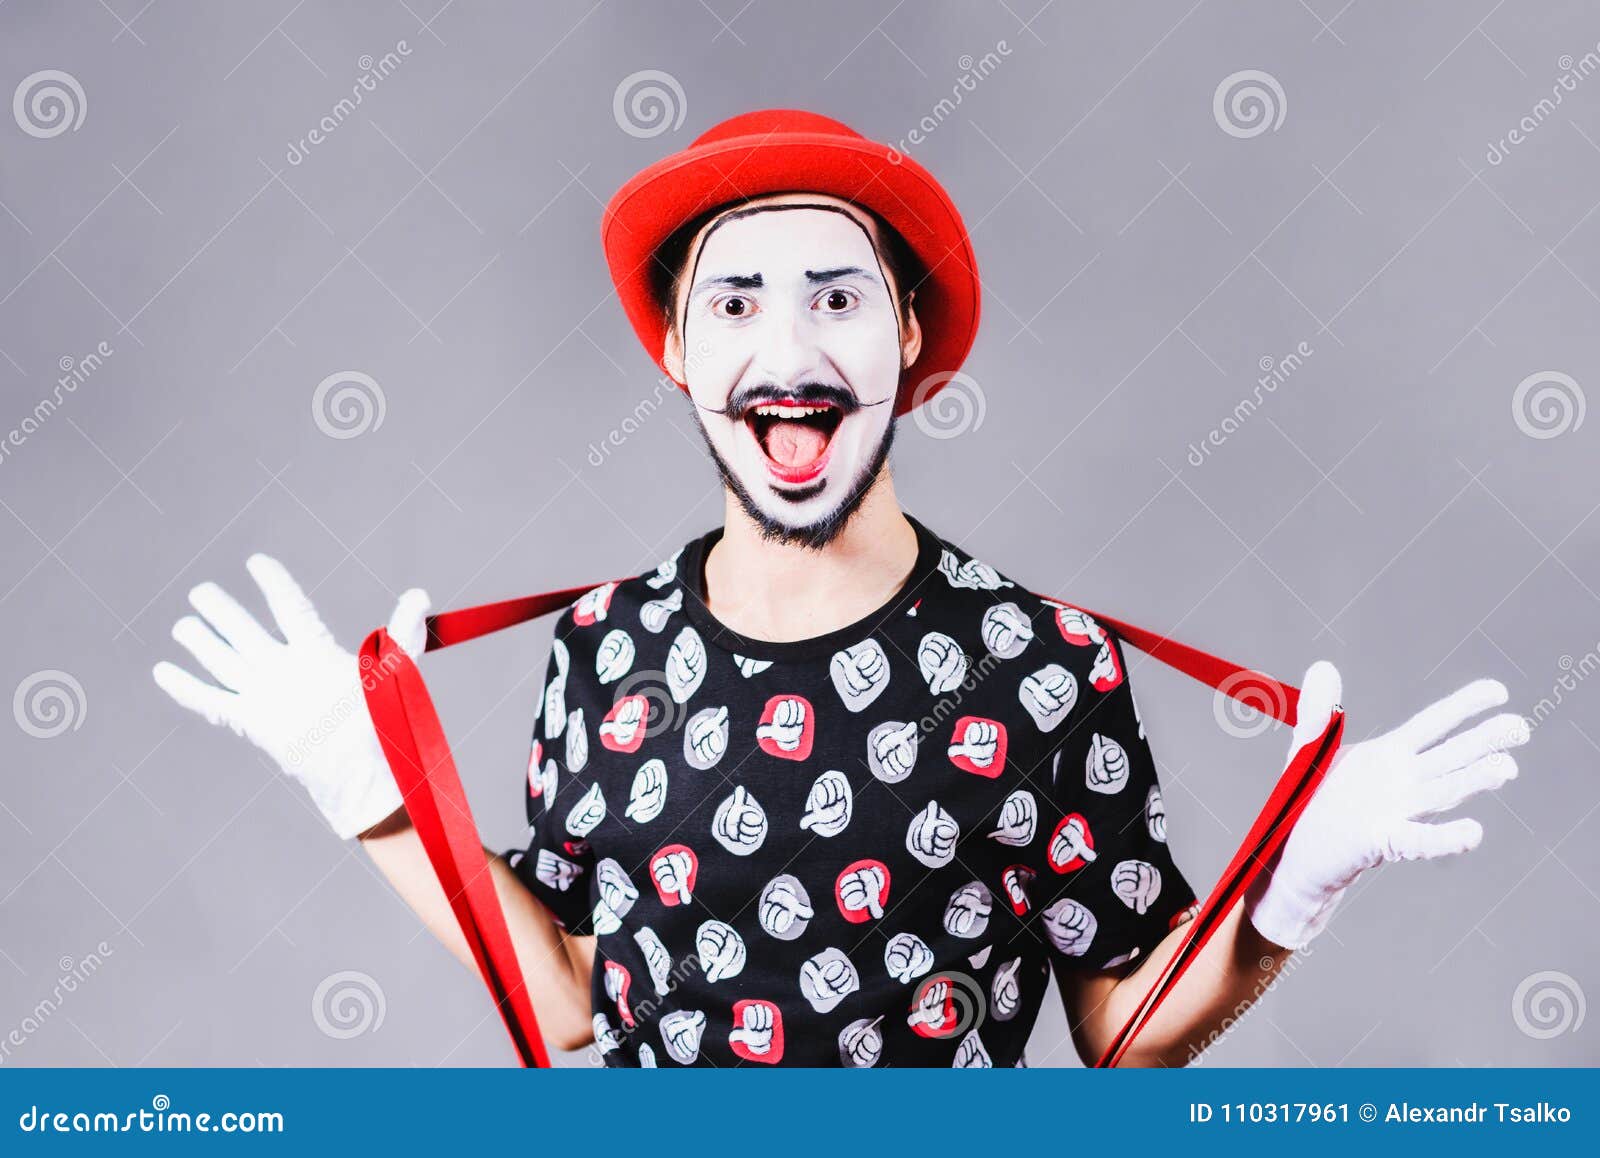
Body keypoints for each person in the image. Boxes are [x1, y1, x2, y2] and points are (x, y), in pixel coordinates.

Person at [151, 110, 1529, 1067]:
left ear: (908, 334)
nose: (789, 346)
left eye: (838, 296)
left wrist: (1287, 891)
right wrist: (367, 784)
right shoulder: (600, 649)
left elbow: (1124, 1029)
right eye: (736, 303)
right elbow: (567, 992)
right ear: (679, 353)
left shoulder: (1040, 666)